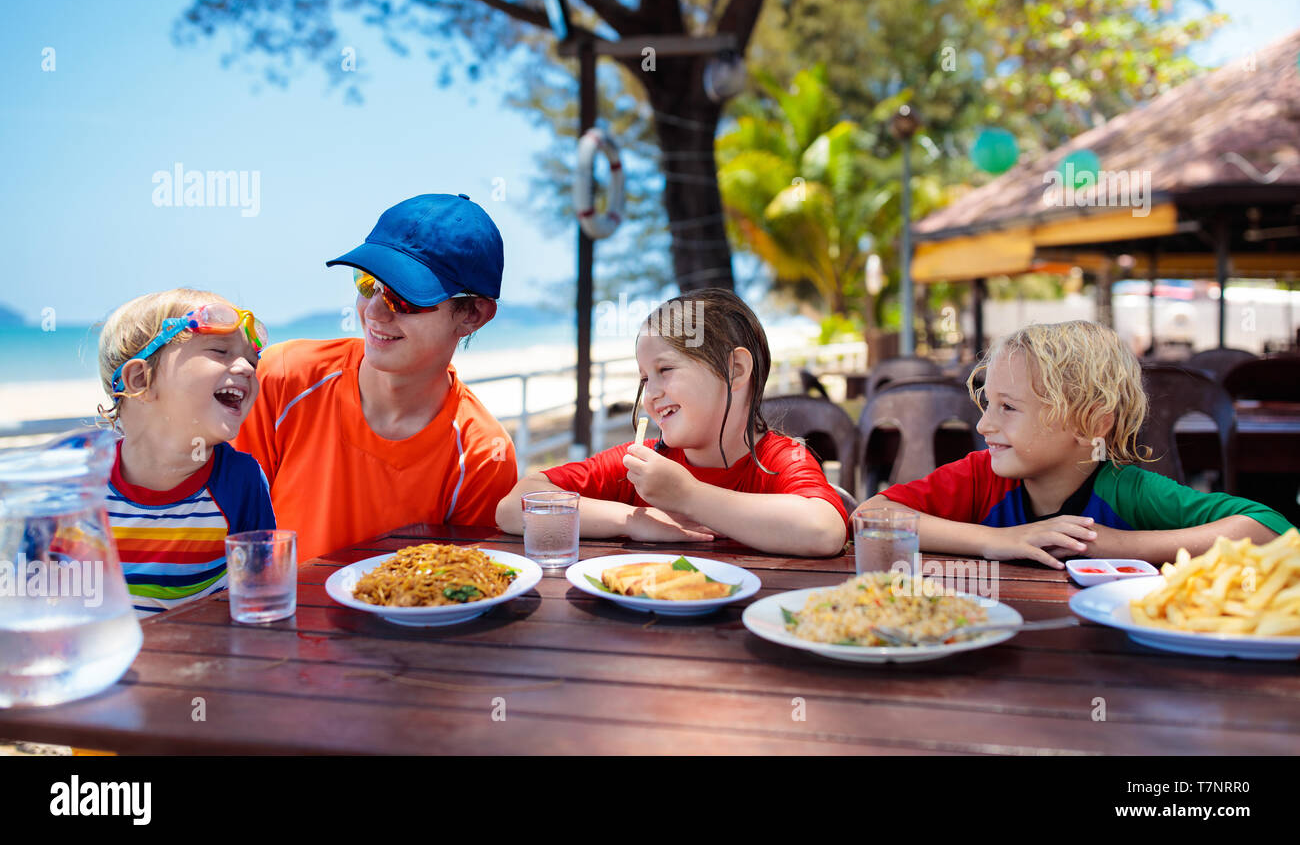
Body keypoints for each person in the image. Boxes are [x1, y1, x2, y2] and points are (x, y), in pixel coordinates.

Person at [858, 320, 1294, 569]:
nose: (985, 424)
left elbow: (1272, 529)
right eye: (988, 403)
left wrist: (1115, 545)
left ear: (1091, 424)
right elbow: (870, 514)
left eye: (1009, 408)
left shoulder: (1125, 490)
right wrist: (999, 539)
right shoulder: (980, 477)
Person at [235, 193, 517, 562]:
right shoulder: (283, 377)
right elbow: (231, 538)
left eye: (405, 297)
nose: (374, 311)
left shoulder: (482, 456)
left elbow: (459, 587)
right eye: (368, 283)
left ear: (473, 315)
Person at [497, 288, 847, 557]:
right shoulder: (642, 463)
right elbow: (514, 508)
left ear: (735, 370)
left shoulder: (779, 462)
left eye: (665, 370)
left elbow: (825, 530)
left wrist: (687, 496)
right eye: (645, 379)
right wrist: (632, 520)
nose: (650, 395)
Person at [97, 288, 276, 613]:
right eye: (221, 351)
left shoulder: (239, 482)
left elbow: (258, 598)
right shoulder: (83, 486)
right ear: (140, 379)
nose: (248, 369)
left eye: (252, 359)